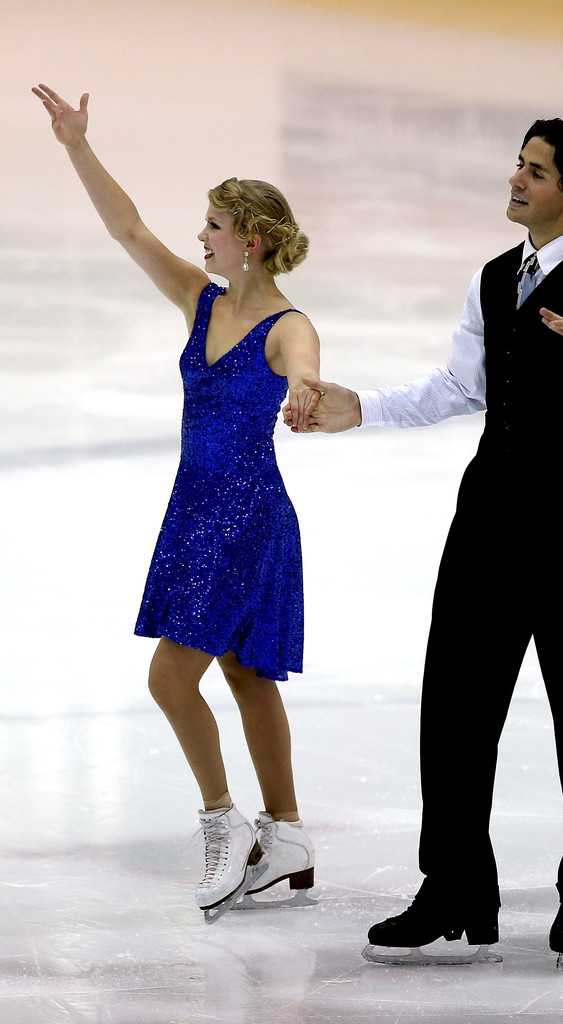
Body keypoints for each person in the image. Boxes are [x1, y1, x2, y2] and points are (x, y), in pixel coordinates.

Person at [286, 118, 563, 966]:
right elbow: (459, 386)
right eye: (517, 164)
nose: (516, 180)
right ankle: (451, 887)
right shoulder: (494, 277)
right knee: (454, 703)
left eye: (536, 171)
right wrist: (360, 407)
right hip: (487, 513)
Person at [33, 84, 320, 921]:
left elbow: (305, 360)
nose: (200, 236)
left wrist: (305, 390)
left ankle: (222, 822)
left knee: (173, 677)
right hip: (195, 511)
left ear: (251, 240)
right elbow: (128, 229)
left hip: (244, 517)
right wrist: (76, 146)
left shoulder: (283, 324)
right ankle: (290, 834)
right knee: (242, 674)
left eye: (213, 227)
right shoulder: (201, 302)